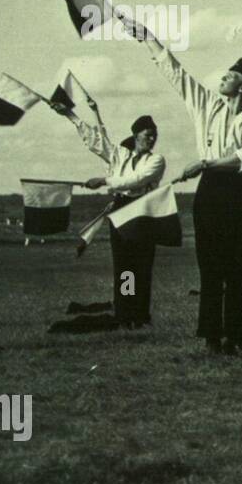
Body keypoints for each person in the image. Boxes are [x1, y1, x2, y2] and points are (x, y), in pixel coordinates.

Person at [125, 17, 242, 354]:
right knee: (210, 265)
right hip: (210, 193)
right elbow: (174, 72)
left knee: (237, 266)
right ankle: (211, 337)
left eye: (232, 75)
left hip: (238, 190)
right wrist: (148, 38)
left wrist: (205, 163)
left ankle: (236, 335)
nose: (224, 77)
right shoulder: (206, 104)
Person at [54, 96, 165, 326]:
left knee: (141, 265)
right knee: (124, 266)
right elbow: (94, 139)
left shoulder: (156, 160)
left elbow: (137, 180)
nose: (151, 139)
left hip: (143, 211)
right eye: (147, 135)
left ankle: (140, 314)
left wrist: (104, 180)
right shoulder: (119, 155)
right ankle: (125, 312)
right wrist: (70, 115)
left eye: (154, 135)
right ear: (136, 136)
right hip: (121, 209)